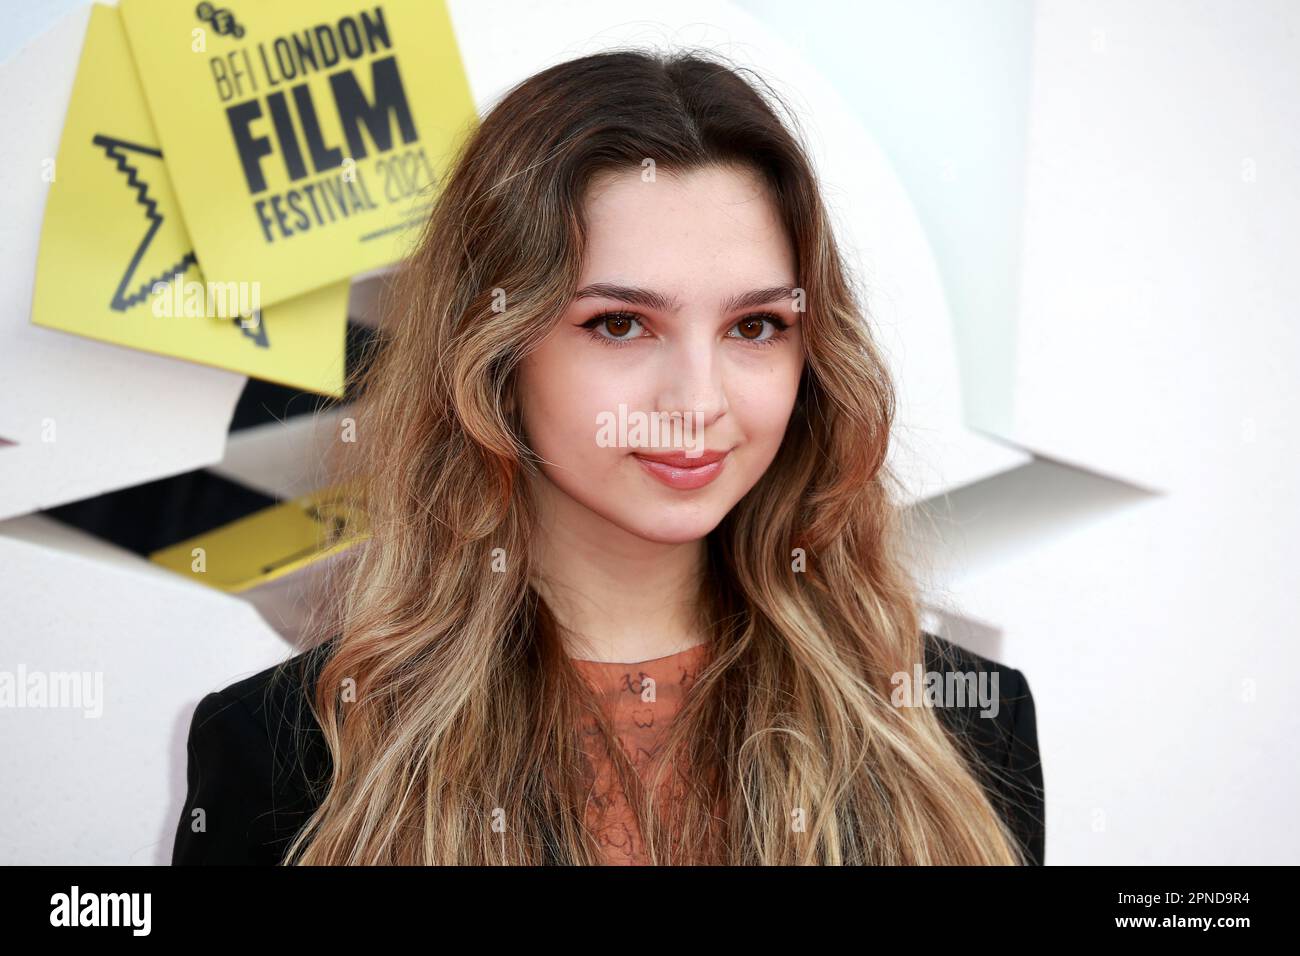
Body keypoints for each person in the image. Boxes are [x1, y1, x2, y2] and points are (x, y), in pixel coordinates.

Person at [173, 48, 1044, 866]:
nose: (698, 403)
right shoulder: (284, 754)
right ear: (493, 353)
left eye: (756, 326)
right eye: (620, 324)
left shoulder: (963, 728)